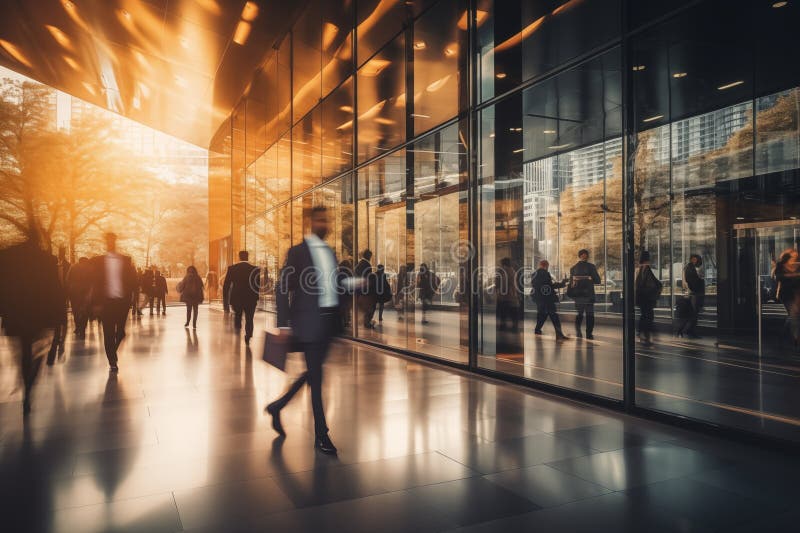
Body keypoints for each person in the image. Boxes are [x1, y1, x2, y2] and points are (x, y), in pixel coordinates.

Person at [265, 206, 341, 454]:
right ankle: (321, 435)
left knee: (313, 373)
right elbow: (282, 287)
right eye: (320, 220)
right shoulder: (297, 252)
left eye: (326, 220)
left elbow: (334, 285)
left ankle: (278, 406)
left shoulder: (329, 252)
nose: (324, 224)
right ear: (310, 222)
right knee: (316, 379)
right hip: (308, 324)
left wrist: (353, 283)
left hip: (328, 325)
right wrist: (283, 325)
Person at [0, 229, 65, 413]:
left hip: (16, 314)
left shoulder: (8, 256)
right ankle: (29, 386)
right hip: (39, 314)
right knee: (38, 352)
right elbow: (54, 288)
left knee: (22, 351)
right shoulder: (47, 260)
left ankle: (24, 381)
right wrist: (59, 315)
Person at [88, 233, 137, 372]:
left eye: (112, 240)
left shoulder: (125, 260)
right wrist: (96, 304)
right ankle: (112, 360)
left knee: (120, 332)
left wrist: (133, 298)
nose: (110, 243)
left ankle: (112, 352)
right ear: (106, 242)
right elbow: (95, 283)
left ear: (115, 242)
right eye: (108, 241)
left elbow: (133, 281)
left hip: (122, 302)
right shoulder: (98, 261)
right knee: (108, 332)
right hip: (106, 303)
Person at [223, 251, 260, 344]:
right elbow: (257, 285)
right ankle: (248, 335)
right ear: (247, 257)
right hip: (250, 299)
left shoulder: (232, 269)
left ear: (239, 257)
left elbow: (226, 284)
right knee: (249, 318)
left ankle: (238, 331)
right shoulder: (255, 269)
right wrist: (256, 297)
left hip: (237, 298)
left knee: (238, 315)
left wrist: (225, 298)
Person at [531, 260, 568, 341]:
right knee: (554, 316)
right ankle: (559, 334)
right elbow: (550, 286)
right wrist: (562, 283)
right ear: (546, 266)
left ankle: (537, 330)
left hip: (538, 298)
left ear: (540, 265)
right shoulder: (545, 273)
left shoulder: (534, 274)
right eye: (547, 266)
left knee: (542, 315)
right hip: (547, 298)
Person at [568, 249, 601, 339]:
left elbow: (571, 284)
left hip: (578, 296)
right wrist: (589, 279)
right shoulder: (591, 267)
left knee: (580, 314)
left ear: (579, 256)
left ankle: (578, 331)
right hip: (588, 295)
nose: (584, 256)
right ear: (586, 256)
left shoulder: (573, 268)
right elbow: (598, 280)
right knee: (590, 315)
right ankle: (589, 333)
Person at [47, 245, 71, 364]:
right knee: (61, 315)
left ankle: (59, 336)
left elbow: (69, 280)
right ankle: (59, 334)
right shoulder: (55, 264)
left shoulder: (66, 265)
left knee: (61, 315)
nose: (61, 254)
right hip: (57, 293)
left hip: (62, 292)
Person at [635, 251, 662, 347]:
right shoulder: (646, 269)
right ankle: (647, 335)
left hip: (641, 298)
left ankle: (641, 333)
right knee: (648, 317)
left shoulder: (639, 269)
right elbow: (652, 284)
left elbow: (638, 284)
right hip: (647, 298)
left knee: (644, 316)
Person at [774, 248, 800, 350]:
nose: (795, 258)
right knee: (794, 315)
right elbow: (778, 277)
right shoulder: (781, 266)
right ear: (787, 257)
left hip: (796, 294)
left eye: (796, 257)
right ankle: (794, 339)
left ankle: (784, 336)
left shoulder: (797, 266)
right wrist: (794, 275)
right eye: (793, 256)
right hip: (786, 294)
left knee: (794, 315)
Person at [678, 254, 705, 338]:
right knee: (693, 314)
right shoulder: (690, 268)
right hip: (693, 294)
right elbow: (692, 281)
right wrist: (701, 281)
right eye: (695, 259)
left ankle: (683, 331)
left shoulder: (688, 267)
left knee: (690, 314)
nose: (696, 261)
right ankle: (689, 331)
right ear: (692, 259)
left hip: (691, 293)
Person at [66, 256, 92, 339]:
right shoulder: (90, 268)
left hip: (75, 292)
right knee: (85, 311)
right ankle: (82, 329)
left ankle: (78, 326)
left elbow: (68, 279)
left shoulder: (73, 267)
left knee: (76, 310)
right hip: (86, 292)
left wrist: (69, 289)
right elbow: (93, 280)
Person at [495, 258, 521, 332]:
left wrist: (500, 290)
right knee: (513, 312)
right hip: (513, 295)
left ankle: (503, 327)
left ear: (503, 264)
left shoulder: (502, 271)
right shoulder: (513, 271)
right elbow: (515, 284)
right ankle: (514, 327)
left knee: (503, 312)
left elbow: (502, 284)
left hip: (505, 296)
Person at [355, 249, 375, 328]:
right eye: (370, 256)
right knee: (369, 306)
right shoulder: (367, 265)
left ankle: (365, 322)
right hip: (365, 289)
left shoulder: (359, 264)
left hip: (359, 289)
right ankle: (366, 323)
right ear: (369, 256)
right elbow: (368, 278)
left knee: (364, 307)